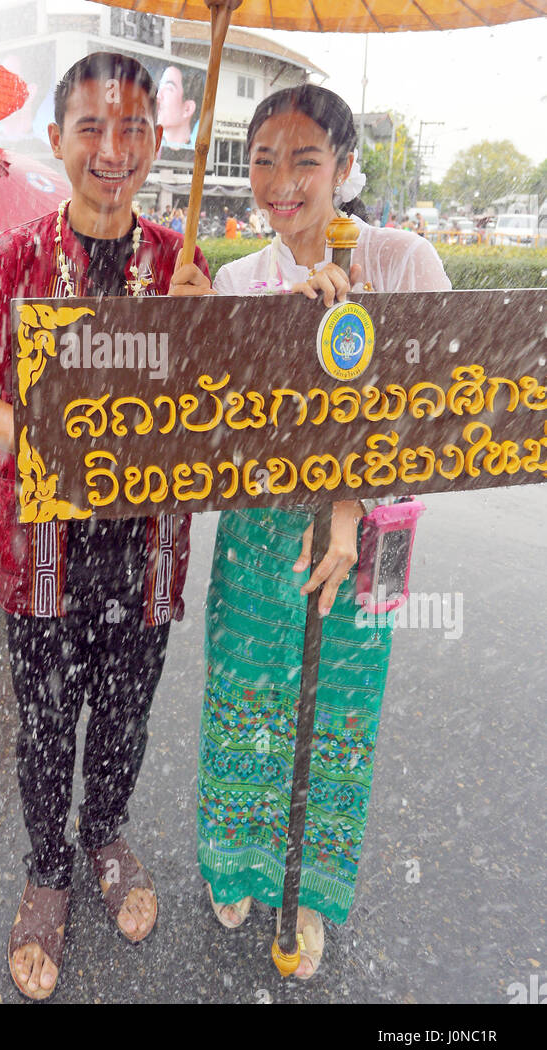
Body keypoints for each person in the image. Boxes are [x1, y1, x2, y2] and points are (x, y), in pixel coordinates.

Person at [0, 52, 210, 1001]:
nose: (112, 146)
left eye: (132, 127)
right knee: (48, 723)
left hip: (145, 552)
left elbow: (212, 406)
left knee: (127, 715)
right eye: (91, 127)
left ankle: (107, 837)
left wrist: (202, 327)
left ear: (156, 143)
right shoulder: (12, 260)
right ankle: (48, 873)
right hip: (44, 550)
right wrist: (56, 441)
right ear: (57, 141)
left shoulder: (181, 264)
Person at [171, 85, 450, 980]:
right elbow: (205, 424)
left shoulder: (401, 260)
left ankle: (310, 887)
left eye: (305, 160)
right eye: (263, 159)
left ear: (344, 167)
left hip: (360, 538)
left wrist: (351, 495)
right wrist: (190, 323)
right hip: (258, 538)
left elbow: (439, 408)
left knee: (336, 713)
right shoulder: (243, 277)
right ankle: (239, 863)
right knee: (247, 698)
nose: (281, 181)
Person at [156, 64, 202, 150]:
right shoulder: (148, 153)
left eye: (168, 88)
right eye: (160, 86)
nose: (158, 95)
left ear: (187, 109)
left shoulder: (194, 159)